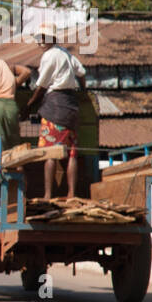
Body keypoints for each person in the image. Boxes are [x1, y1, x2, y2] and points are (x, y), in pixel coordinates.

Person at [25, 26, 88, 198]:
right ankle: (71, 193)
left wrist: (30, 103)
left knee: (50, 153)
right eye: (39, 38)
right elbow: (81, 73)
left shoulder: (49, 55)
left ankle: (47, 195)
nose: (40, 42)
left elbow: (42, 84)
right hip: (71, 106)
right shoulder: (66, 54)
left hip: (55, 106)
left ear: (52, 39)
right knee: (72, 153)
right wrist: (83, 91)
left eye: (44, 38)